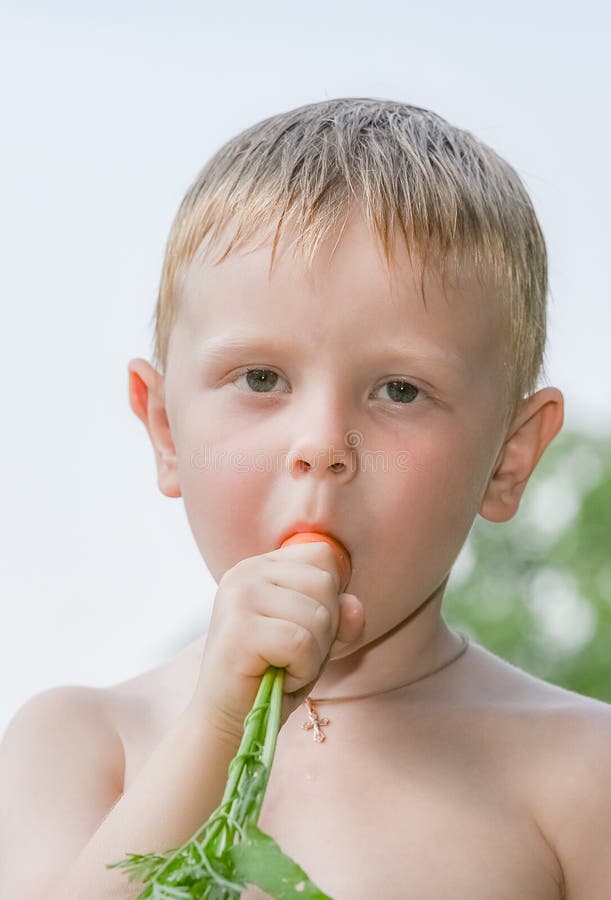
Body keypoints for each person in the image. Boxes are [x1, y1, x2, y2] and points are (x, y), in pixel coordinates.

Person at [1, 97, 609, 900]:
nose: (321, 444)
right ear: (165, 428)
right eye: (260, 379)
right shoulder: (81, 743)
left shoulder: (580, 772)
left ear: (508, 455)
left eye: (399, 389)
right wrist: (216, 728)